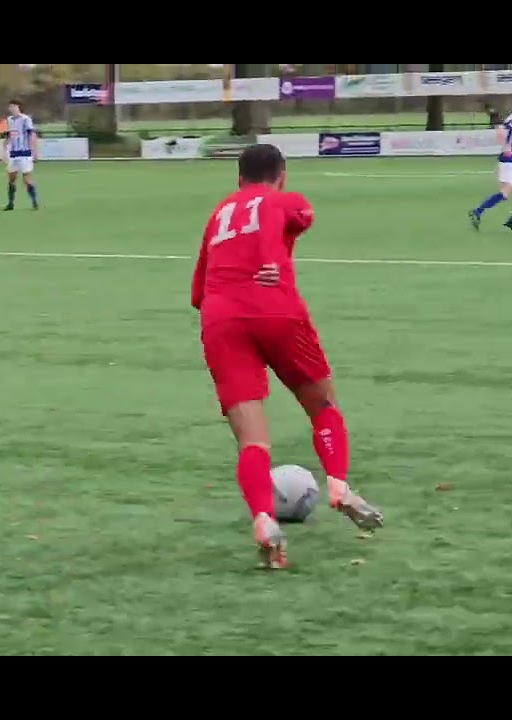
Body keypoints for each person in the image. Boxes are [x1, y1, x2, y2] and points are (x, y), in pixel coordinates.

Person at [192, 143, 384, 570]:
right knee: (323, 407)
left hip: (220, 319)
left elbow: (196, 292)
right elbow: (302, 216)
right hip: (276, 309)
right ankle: (337, 485)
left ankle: (262, 517)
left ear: (238, 179)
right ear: (281, 175)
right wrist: (277, 255)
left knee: (252, 439)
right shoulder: (283, 198)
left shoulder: (217, 214)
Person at [470, 91, 512, 233]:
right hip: (508, 161)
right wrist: (506, 147)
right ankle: (477, 211)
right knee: (504, 194)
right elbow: (501, 130)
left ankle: (511, 221)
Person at [2, 99, 39, 211]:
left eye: (14, 106)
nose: (12, 108)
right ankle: (10, 203)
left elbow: (31, 135)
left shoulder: (26, 119)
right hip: (13, 153)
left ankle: (34, 202)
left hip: (24, 153)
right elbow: (9, 135)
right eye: (10, 107)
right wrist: (5, 145)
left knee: (26, 179)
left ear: (18, 107)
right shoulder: (9, 120)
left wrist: (35, 151)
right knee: (11, 179)